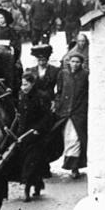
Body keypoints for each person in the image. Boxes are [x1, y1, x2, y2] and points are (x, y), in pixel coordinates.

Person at [14, 71, 56, 201]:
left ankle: (27, 189)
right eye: (22, 85)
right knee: (25, 161)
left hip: (38, 135)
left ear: (32, 84)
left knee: (32, 162)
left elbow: (47, 117)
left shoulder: (41, 97)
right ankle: (35, 184)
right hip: (24, 134)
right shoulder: (22, 96)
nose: (23, 87)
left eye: (26, 85)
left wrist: (38, 129)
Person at [56, 50, 89, 179]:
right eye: (73, 61)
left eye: (77, 62)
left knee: (76, 139)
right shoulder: (63, 74)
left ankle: (74, 167)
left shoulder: (85, 75)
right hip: (64, 111)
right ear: (68, 62)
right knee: (66, 138)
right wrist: (57, 104)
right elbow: (59, 91)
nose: (75, 64)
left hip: (78, 112)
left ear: (81, 63)